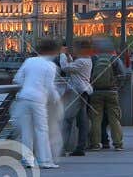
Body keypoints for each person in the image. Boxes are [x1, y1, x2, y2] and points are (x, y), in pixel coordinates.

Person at [11, 40, 62, 170]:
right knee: (41, 130)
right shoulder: (50, 66)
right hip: (38, 100)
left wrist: (28, 85)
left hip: (23, 97)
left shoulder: (29, 61)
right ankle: (44, 160)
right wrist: (57, 99)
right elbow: (50, 87)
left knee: (26, 131)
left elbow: (17, 79)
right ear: (51, 52)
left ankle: (27, 160)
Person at [86, 38, 128, 151]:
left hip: (96, 93)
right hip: (112, 92)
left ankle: (95, 144)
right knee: (114, 119)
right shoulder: (115, 59)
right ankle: (118, 143)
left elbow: (88, 75)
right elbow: (123, 74)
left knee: (96, 119)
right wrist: (117, 87)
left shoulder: (93, 59)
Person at [59, 39, 94, 157]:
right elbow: (72, 68)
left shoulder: (82, 61)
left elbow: (65, 68)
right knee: (82, 121)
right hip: (83, 92)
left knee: (68, 119)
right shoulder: (86, 60)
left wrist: (62, 54)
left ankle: (63, 148)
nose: (74, 50)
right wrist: (69, 56)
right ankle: (80, 147)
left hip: (78, 93)